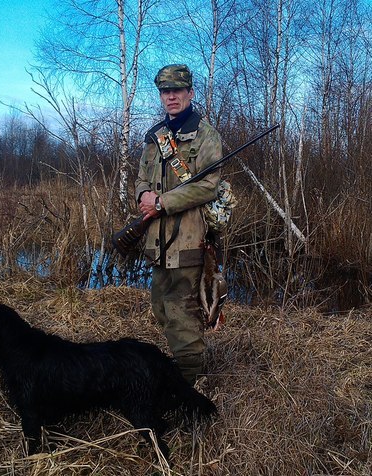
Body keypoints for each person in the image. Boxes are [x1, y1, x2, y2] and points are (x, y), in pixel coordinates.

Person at [135, 64, 223, 385]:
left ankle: (190, 389)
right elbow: (141, 178)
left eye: (177, 90)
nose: (171, 96)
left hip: (189, 241)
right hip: (158, 243)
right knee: (162, 308)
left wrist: (161, 203)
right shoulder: (154, 137)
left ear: (190, 93)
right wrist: (144, 195)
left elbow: (209, 187)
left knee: (182, 315)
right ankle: (186, 367)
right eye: (165, 91)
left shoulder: (206, 135)